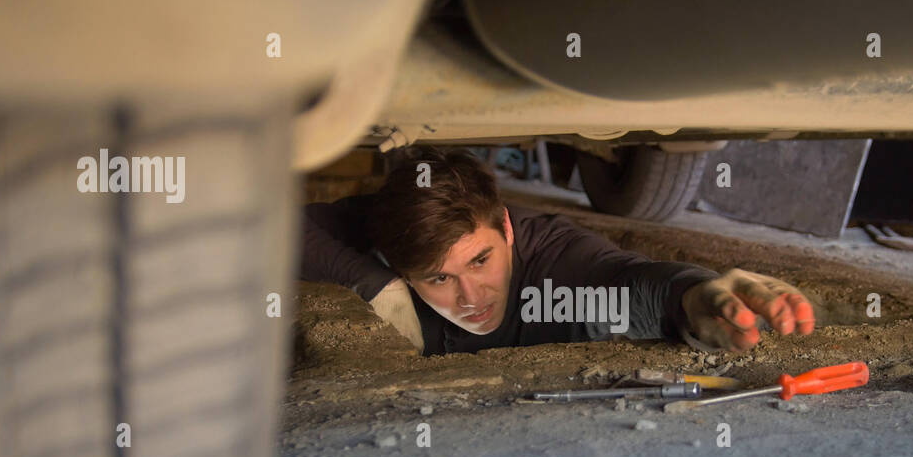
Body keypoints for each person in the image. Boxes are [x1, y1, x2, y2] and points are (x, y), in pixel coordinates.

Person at [299, 146, 815, 356]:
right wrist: (374, 283)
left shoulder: (556, 266)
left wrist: (697, 295)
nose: (471, 295)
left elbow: (624, 282)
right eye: (438, 278)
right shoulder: (387, 235)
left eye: (481, 260)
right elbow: (278, 229)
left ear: (505, 227)